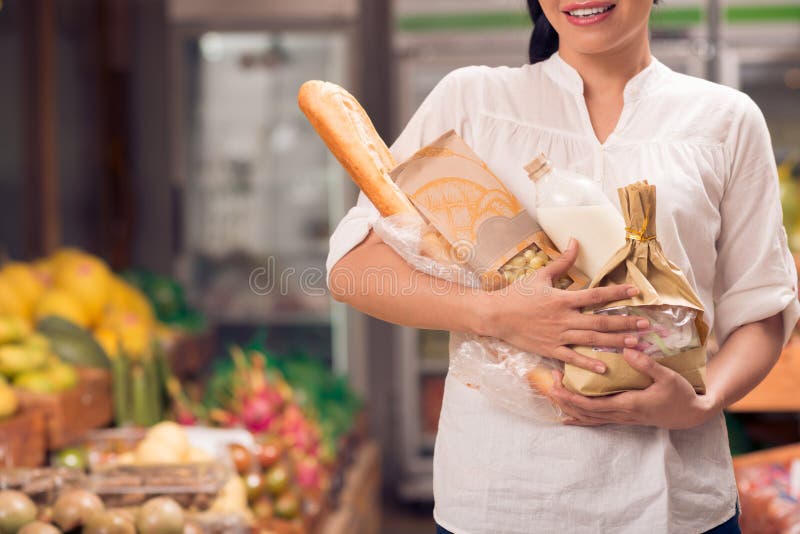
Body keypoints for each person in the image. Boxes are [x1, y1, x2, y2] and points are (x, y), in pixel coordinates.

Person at [326, 0, 800, 532]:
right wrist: (494, 313)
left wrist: (701, 401)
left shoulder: (725, 120)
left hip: (677, 507)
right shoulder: (474, 100)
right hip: (501, 502)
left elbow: (762, 306)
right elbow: (353, 266)